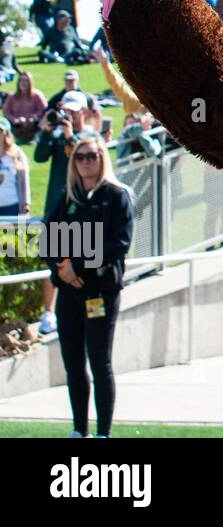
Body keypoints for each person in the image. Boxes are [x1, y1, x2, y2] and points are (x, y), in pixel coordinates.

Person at [42, 131, 133, 439]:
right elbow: (47, 240)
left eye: (91, 156)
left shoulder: (116, 195)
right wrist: (62, 271)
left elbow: (119, 244)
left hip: (101, 292)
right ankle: (79, 429)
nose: (85, 162)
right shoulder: (69, 197)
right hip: (69, 292)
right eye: (79, 157)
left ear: (102, 158)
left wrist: (77, 265)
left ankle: (103, 433)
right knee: (72, 362)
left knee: (99, 360)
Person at [33, 89, 93, 334]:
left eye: (73, 110)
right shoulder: (57, 135)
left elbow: (82, 163)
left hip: (80, 212)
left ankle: (86, 308)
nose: (67, 114)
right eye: (65, 110)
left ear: (83, 112)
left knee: (82, 262)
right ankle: (49, 312)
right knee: (55, 262)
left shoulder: (88, 139)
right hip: (56, 210)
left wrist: (70, 137)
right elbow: (39, 156)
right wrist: (47, 132)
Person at [3, 71, 47, 142]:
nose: (23, 83)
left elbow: (43, 110)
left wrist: (32, 117)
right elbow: (6, 111)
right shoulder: (12, 96)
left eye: (26, 81)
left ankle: (36, 138)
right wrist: (14, 119)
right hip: (17, 123)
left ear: (30, 83)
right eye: (21, 81)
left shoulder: (37, 95)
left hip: (33, 122)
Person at [0, 119, 30, 217]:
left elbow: (24, 181)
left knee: (12, 232)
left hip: (12, 205)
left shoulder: (17, 153)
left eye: (0, 131)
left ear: (6, 133)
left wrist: (26, 203)